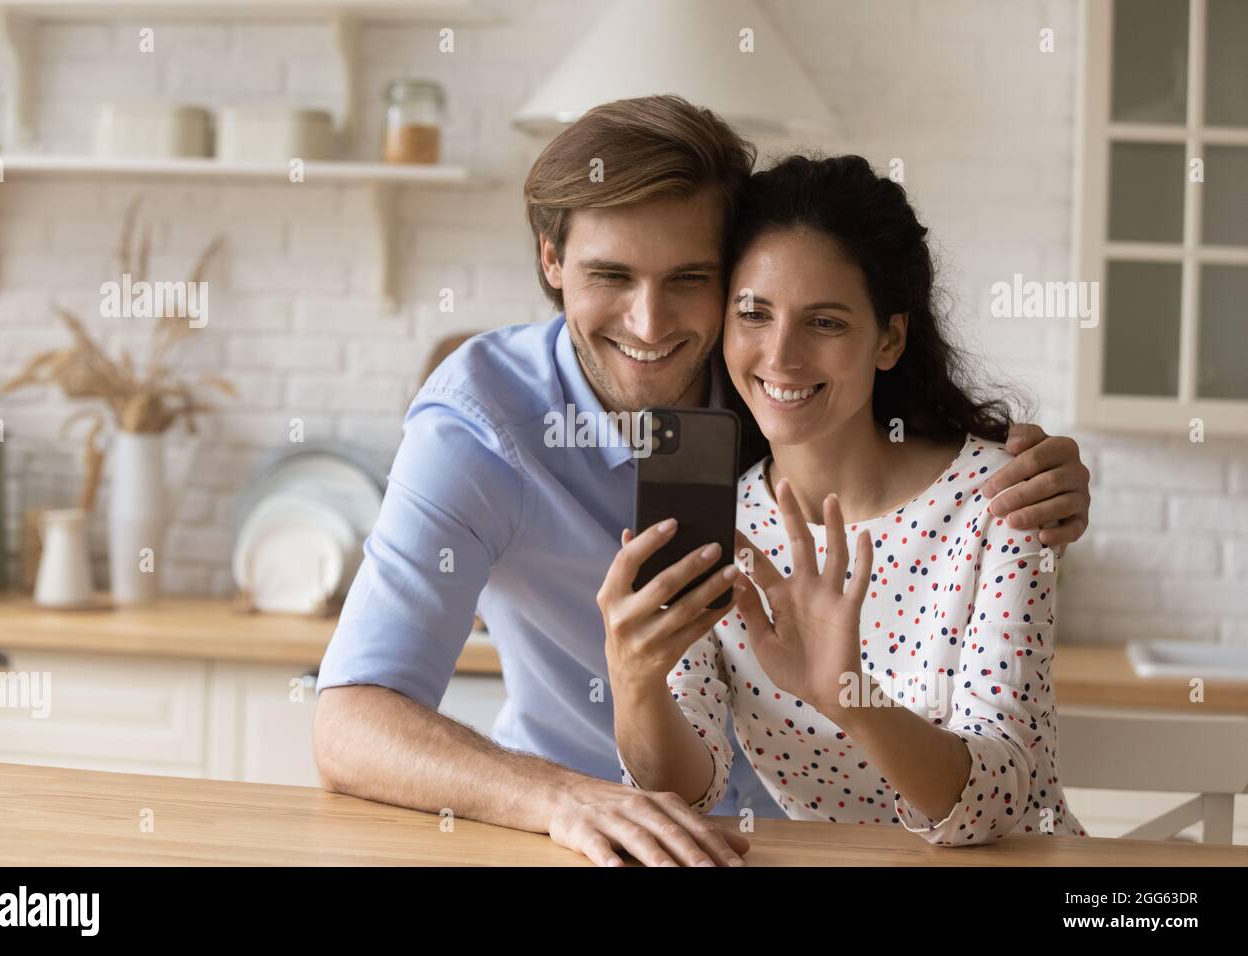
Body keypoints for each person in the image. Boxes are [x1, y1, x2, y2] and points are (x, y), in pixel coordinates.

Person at [313, 96, 1093, 866]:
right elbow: (349, 723)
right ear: (551, 261)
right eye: (610, 274)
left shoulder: (778, 402)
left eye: (690, 278)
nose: (650, 326)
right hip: (603, 832)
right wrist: (566, 794)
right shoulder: (483, 421)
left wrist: (1032, 481)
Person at [605, 154, 1086, 845]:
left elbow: (1002, 798)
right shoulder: (719, 523)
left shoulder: (1002, 498)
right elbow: (686, 790)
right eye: (753, 315)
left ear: (888, 338)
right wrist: (635, 682)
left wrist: (850, 698)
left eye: (824, 323)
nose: (781, 355)